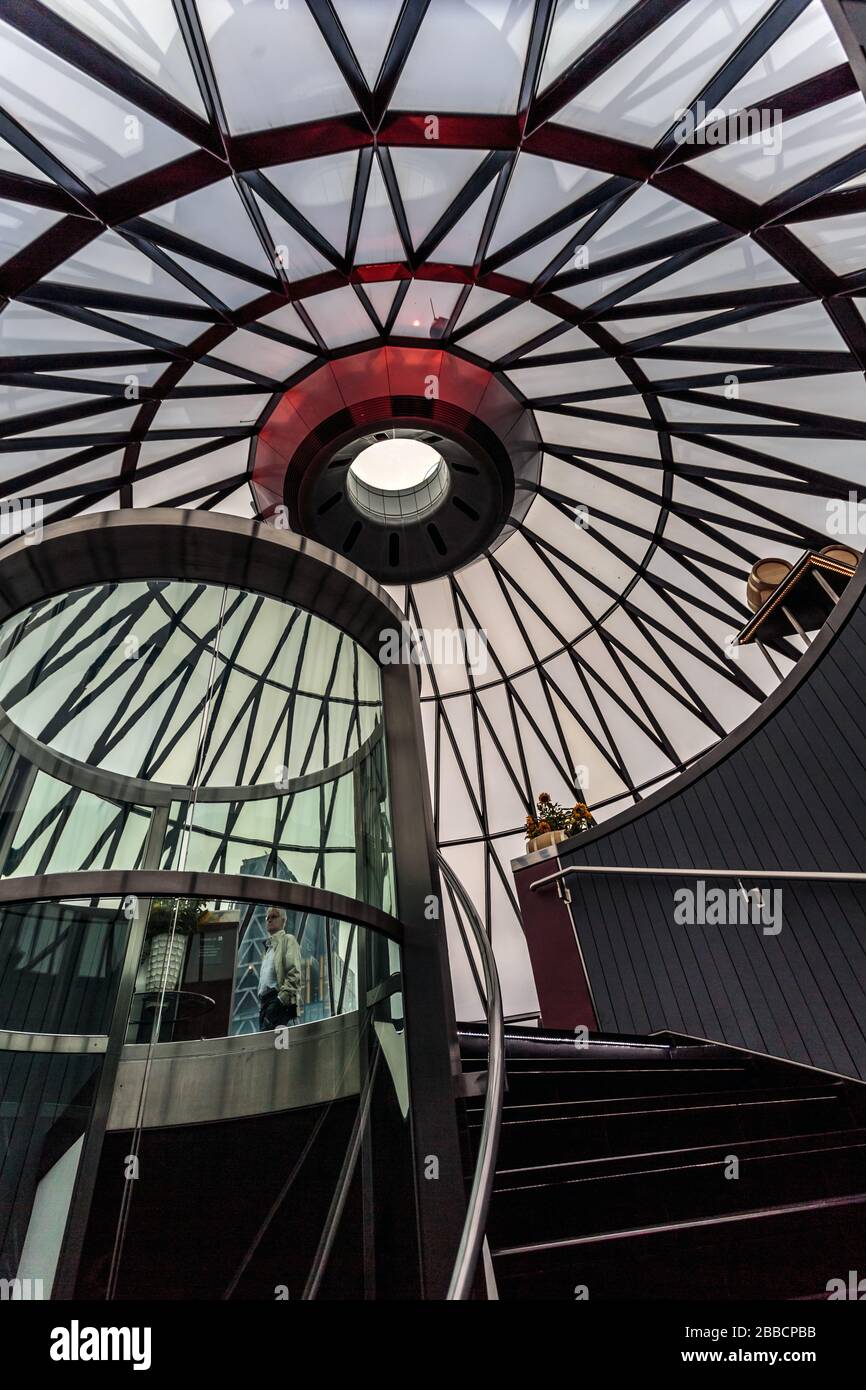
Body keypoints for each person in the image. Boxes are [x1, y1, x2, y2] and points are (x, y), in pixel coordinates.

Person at [257, 905, 302, 1031]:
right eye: (267, 917)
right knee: (266, 1046)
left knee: (278, 1047)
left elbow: (294, 974)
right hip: (264, 1005)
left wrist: (280, 1001)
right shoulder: (268, 949)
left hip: (277, 1002)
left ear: (283, 921)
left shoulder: (288, 940)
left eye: (274, 916)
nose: (269, 920)